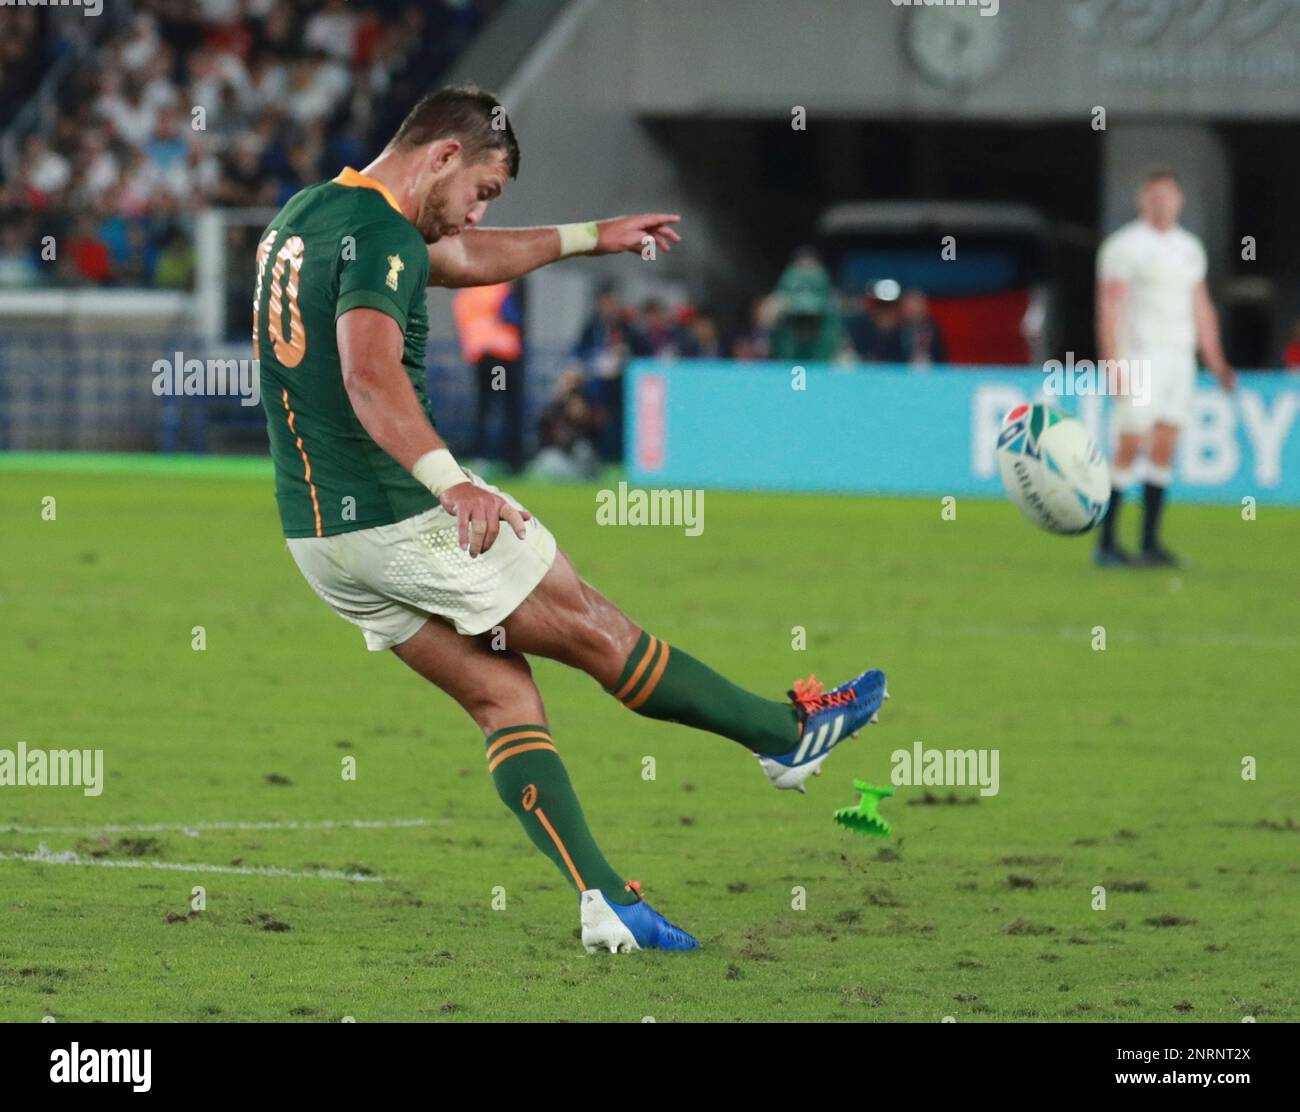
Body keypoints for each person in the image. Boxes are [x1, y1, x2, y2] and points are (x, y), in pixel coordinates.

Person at [253, 83, 888, 954]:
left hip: (322, 537)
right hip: (400, 510)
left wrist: (595, 238)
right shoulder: (384, 235)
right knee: (596, 628)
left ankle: (604, 902)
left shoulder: (312, 214)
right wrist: (451, 482)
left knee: (503, 695)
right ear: (443, 155)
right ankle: (785, 736)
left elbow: (467, 259)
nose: (476, 212)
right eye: (482, 189)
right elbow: (370, 377)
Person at [1094, 169, 1235, 567]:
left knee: (1166, 442)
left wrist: (1215, 358)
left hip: (1179, 356)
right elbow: (1110, 305)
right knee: (1130, 442)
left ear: (1180, 201)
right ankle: (1106, 543)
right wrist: (1112, 360)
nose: (1162, 203)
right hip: (1140, 354)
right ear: (1143, 200)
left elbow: (1200, 304)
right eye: (1154, 196)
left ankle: (1149, 543)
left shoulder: (1189, 248)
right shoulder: (1125, 246)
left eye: (1169, 196)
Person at [451, 280, 524, 472]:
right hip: (500, 358)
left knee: (486, 405)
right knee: (500, 403)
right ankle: (505, 457)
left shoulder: (465, 296)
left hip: (481, 357)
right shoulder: (499, 288)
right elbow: (512, 317)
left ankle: (483, 454)